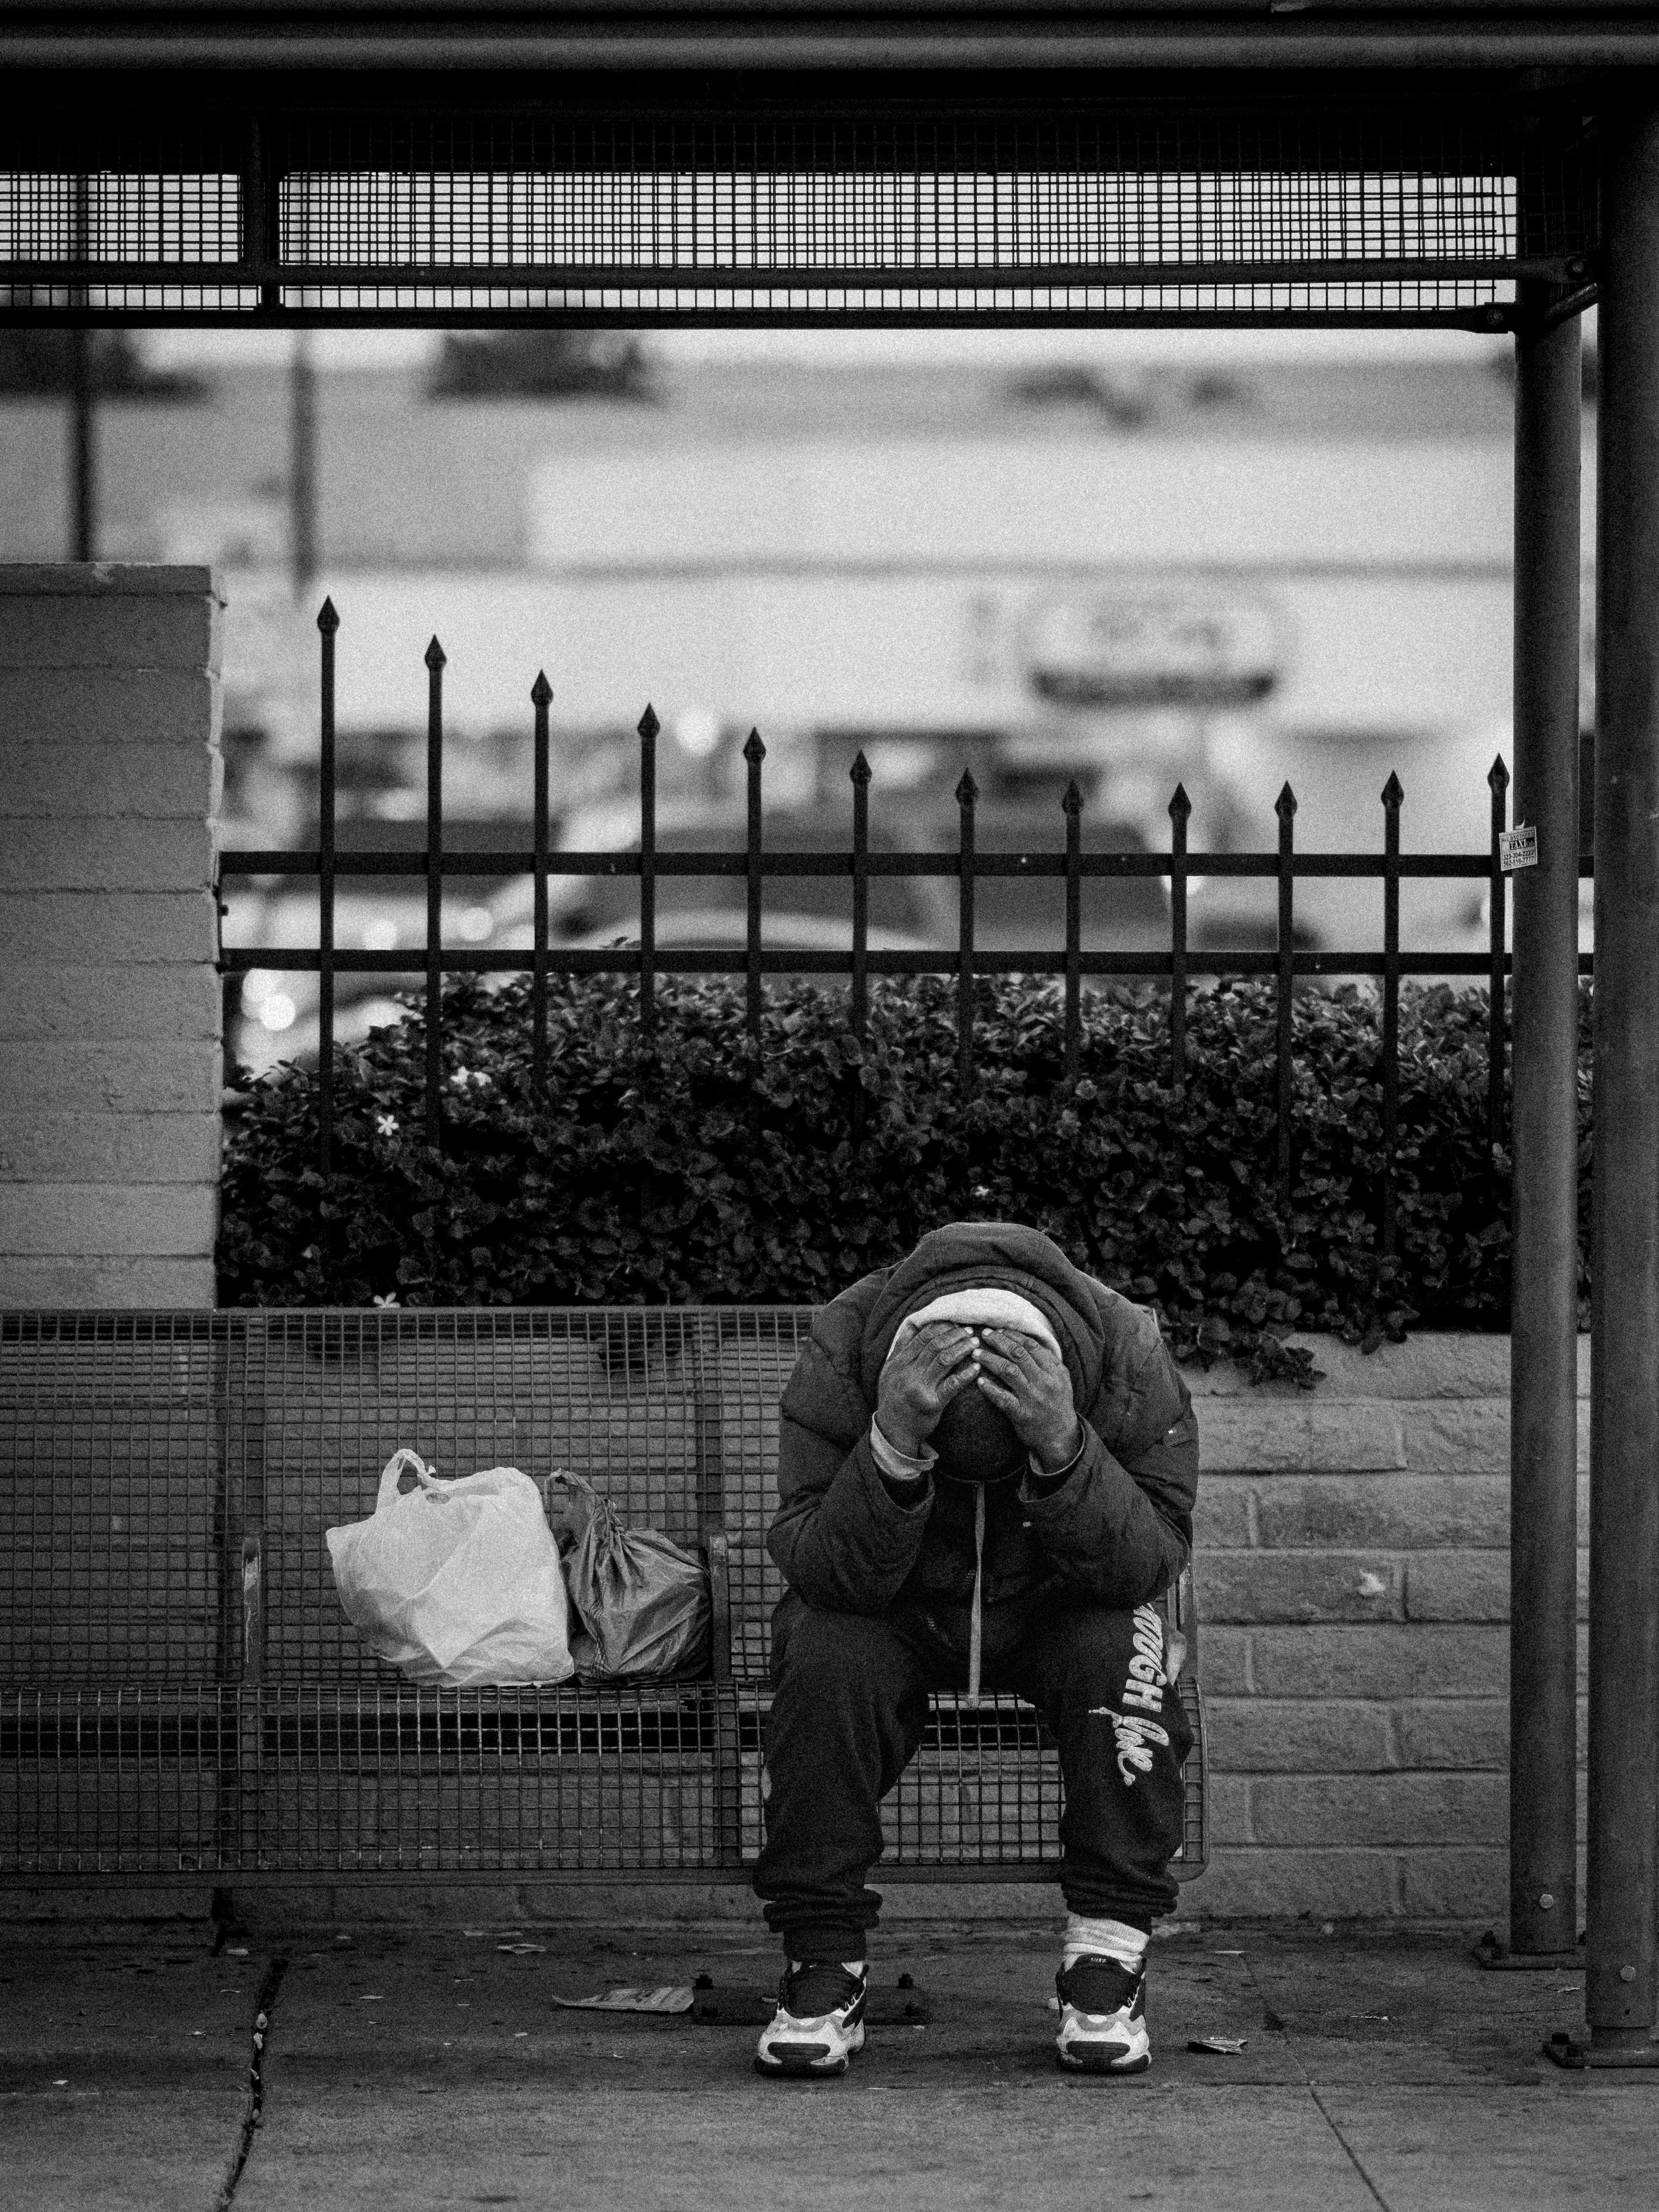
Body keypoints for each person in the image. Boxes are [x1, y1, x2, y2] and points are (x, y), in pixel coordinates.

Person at [751, 1219, 1199, 2079]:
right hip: (897, 1602)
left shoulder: (1125, 1349)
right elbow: (819, 1567)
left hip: (1061, 1601)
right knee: (826, 1653)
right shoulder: (847, 1343)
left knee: (1125, 1649)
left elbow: (1149, 1560)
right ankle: (824, 1964)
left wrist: (1064, 1447)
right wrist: (892, 1443)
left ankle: (1107, 1960)